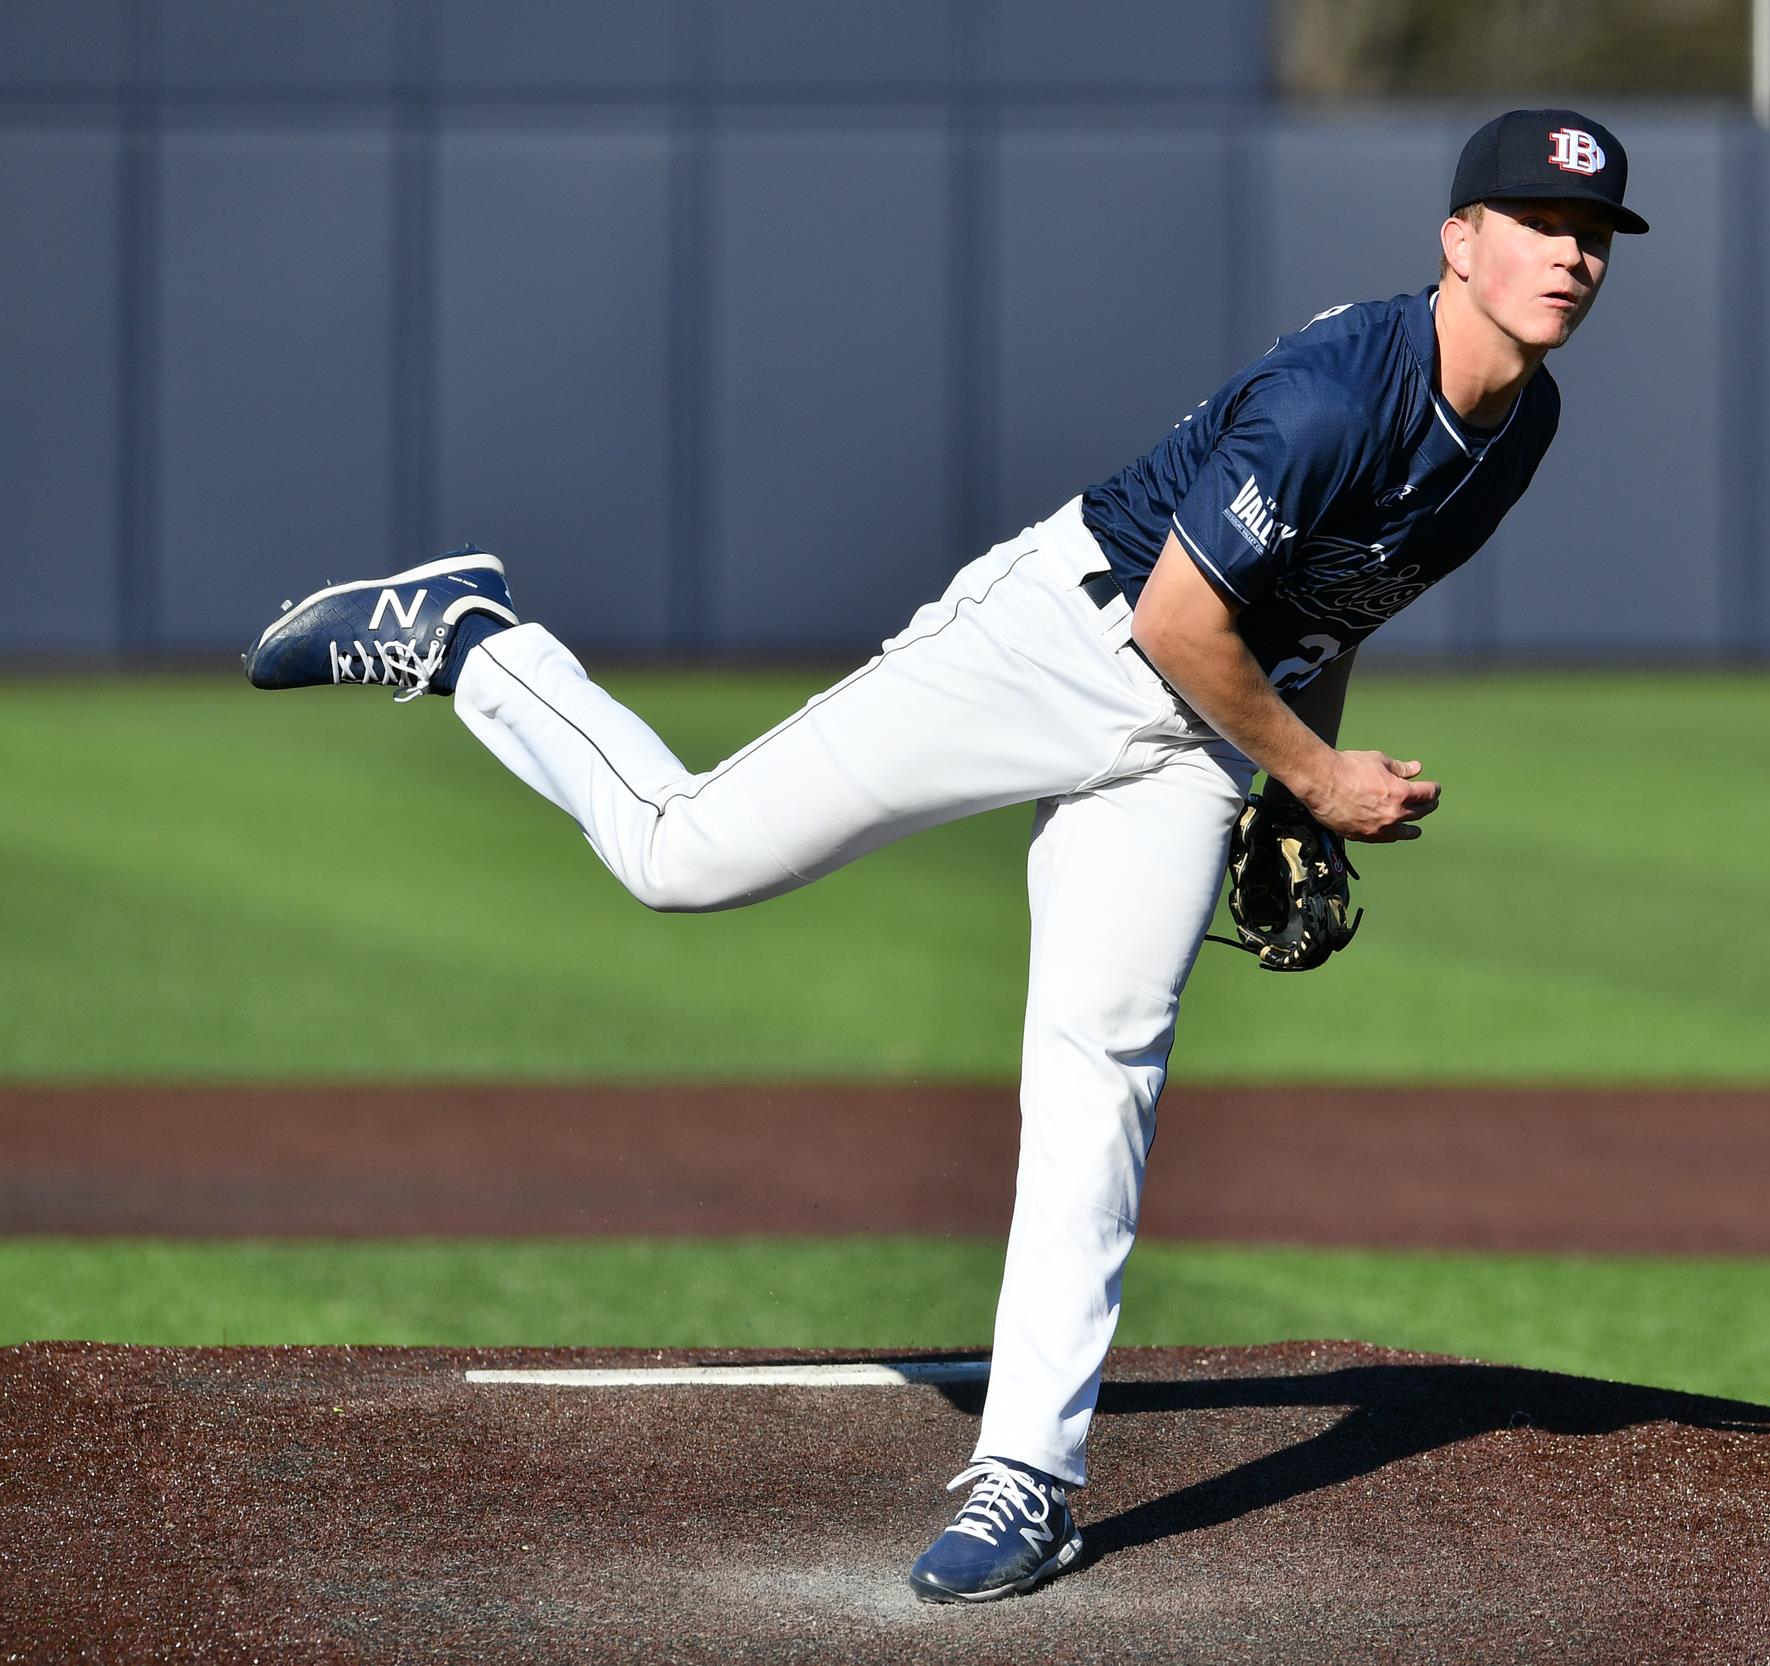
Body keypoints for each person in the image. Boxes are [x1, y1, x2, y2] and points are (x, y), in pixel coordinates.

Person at [243, 108, 1645, 1602]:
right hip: (1068, 638)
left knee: (1105, 1067)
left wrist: (1287, 793)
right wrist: (1320, 775)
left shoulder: (1521, 426)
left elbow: (1330, 606)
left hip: (1191, 739)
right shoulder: (1332, 394)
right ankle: (475, 641)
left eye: (1595, 235)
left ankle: (1026, 1476)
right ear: (1458, 238)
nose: (1569, 252)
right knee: (685, 853)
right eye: (1536, 220)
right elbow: (1183, 619)